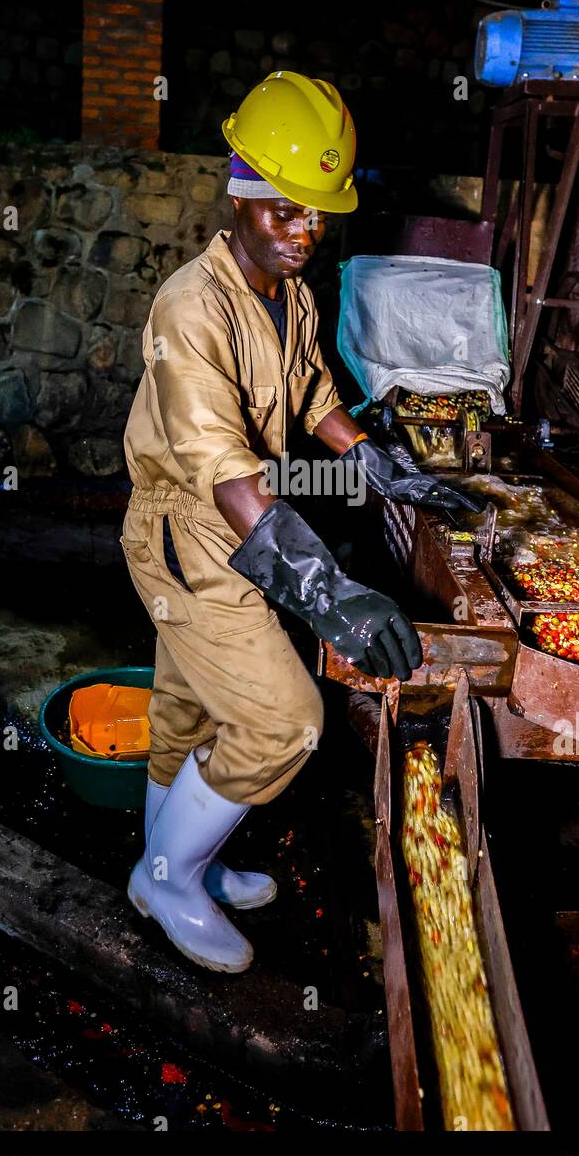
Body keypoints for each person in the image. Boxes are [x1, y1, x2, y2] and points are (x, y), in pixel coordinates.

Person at [121, 70, 482, 973]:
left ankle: (171, 863)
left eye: (316, 214)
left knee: (186, 707)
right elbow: (222, 468)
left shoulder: (295, 296)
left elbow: (314, 389)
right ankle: (170, 879)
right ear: (240, 195)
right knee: (285, 720)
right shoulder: (188, 307)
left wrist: (369, 456)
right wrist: (326, 590)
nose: (304, 232)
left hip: (238, 523)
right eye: (284, 211)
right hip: (191, 529)